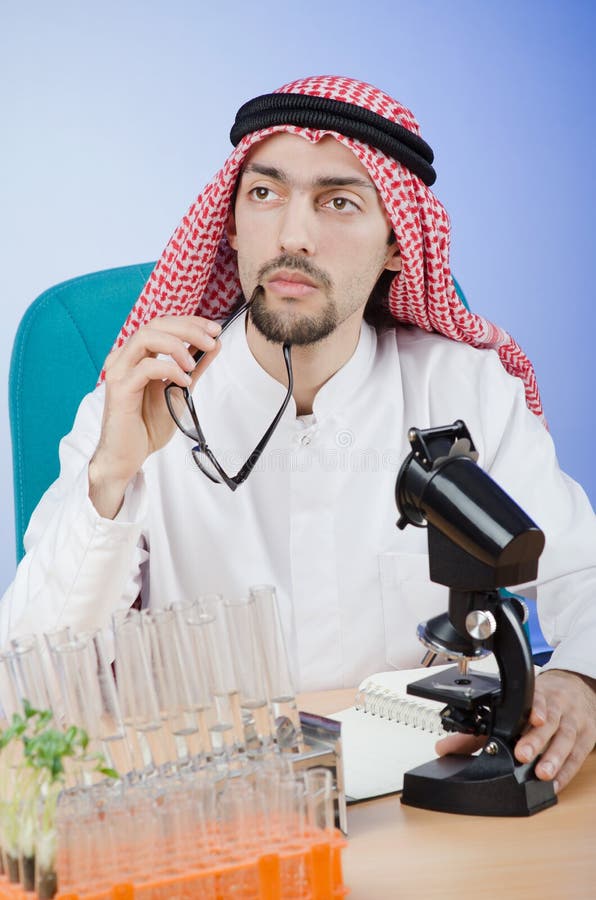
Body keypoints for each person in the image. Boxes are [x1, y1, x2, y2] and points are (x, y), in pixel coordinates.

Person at [2, 76, 595, 793]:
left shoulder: (463, 391)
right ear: (230, 223)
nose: (292, 234)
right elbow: (26, 695)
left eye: (339, 202)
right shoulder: (137, 406)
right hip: (206, 806)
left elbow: (581, 571)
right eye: (265, 193)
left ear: (399, 246)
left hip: (420, 798)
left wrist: (578, 679)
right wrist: (111, 482)